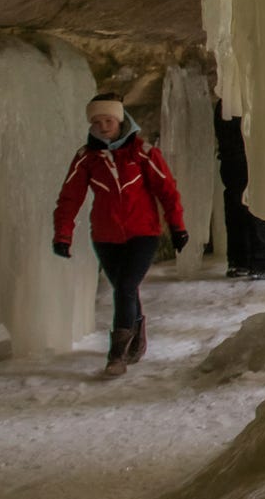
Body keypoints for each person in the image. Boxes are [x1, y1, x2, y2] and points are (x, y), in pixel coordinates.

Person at [52, 92, 187, 376]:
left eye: (109, 120)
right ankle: (137, 337)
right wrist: (62, 235)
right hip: (105, 237)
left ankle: (117, 355)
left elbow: (167, 191)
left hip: (143, 233)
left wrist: (177, 227)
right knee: (125, 289)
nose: (103, 126)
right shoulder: (86, 158)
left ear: (120, 119)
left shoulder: (143, 153)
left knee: (125, 287)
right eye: (97, 121)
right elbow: (69, 198)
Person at [213, 102, 265, 279]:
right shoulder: (250, 99)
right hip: (251, 162)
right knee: (260, 201)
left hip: (230, 162)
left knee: (235, 205)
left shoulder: (223, 103)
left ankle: (239, 261)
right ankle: (261, 261)